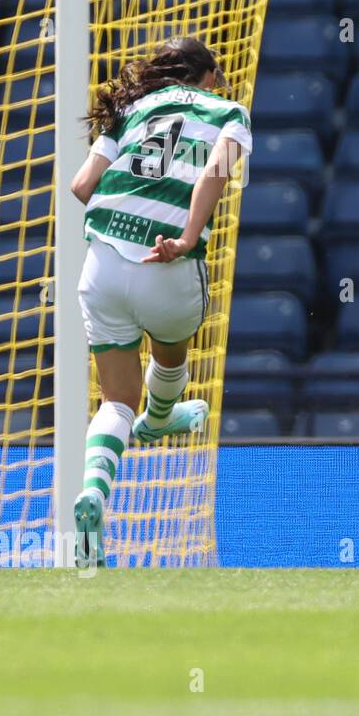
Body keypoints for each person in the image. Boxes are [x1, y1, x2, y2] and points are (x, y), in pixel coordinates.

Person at [70, 35, 252, 567]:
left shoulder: (130, 107)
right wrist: (188, 235)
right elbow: (215, 173)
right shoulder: (229, 111)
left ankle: (93, 495)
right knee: (172, 353)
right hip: (166, 263)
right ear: (209, 76)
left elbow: (83, 186)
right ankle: (163, 414)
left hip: (102, 263)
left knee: (114, 400)